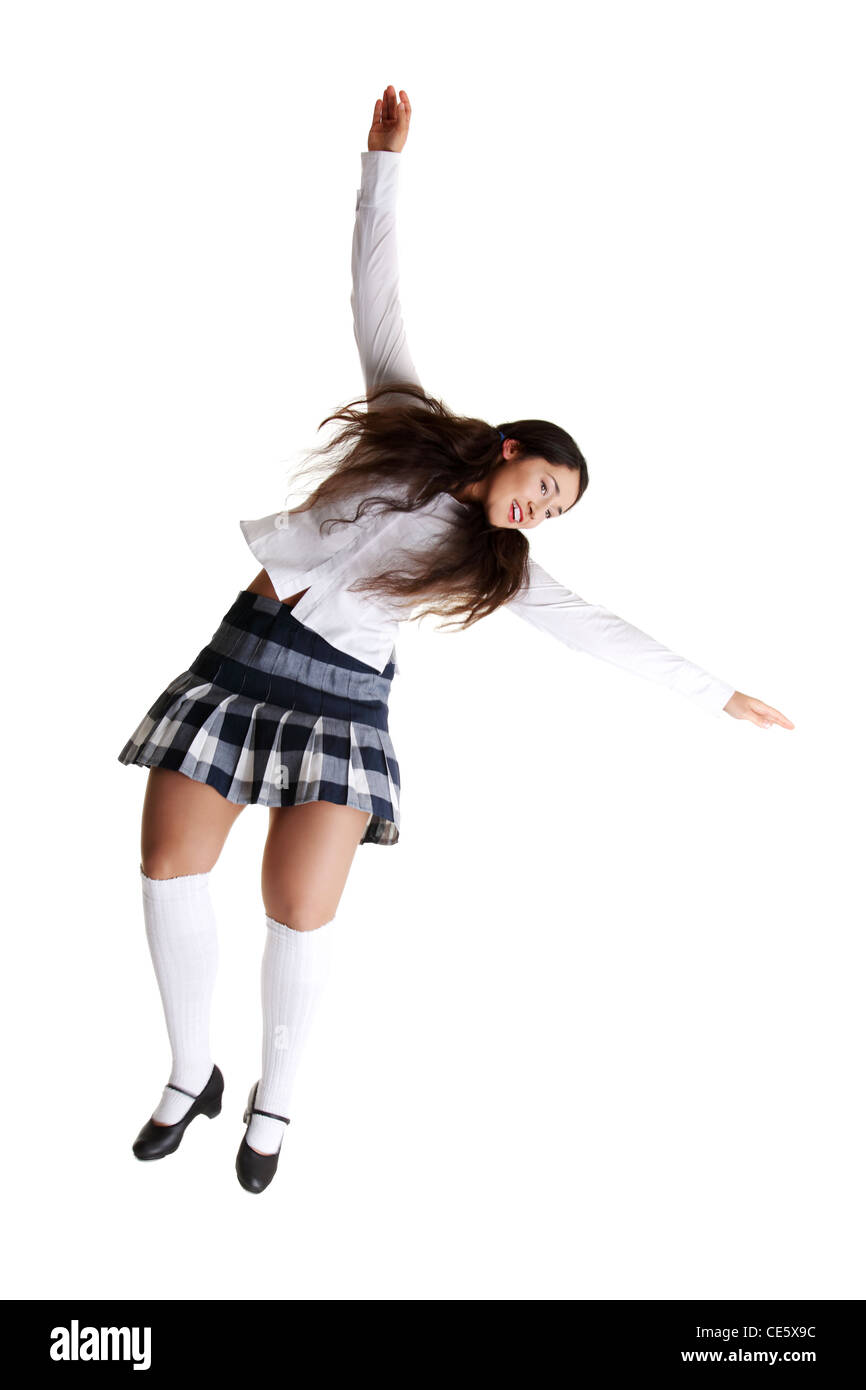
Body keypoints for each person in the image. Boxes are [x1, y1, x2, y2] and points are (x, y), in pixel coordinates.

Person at [118, 85, 794, 1196]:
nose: (540, 510)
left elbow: (599, 633)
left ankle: (274, 1100)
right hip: (237, 660)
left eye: (556, 510)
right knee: (166, 866)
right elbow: (373, 292)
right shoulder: (401, 426)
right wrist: (382, 162)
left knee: (296, 904)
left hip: (339, 703)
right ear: (511, 447)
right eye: (543, 487)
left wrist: (718, 694)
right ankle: (189, 1071)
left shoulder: (505, 568)